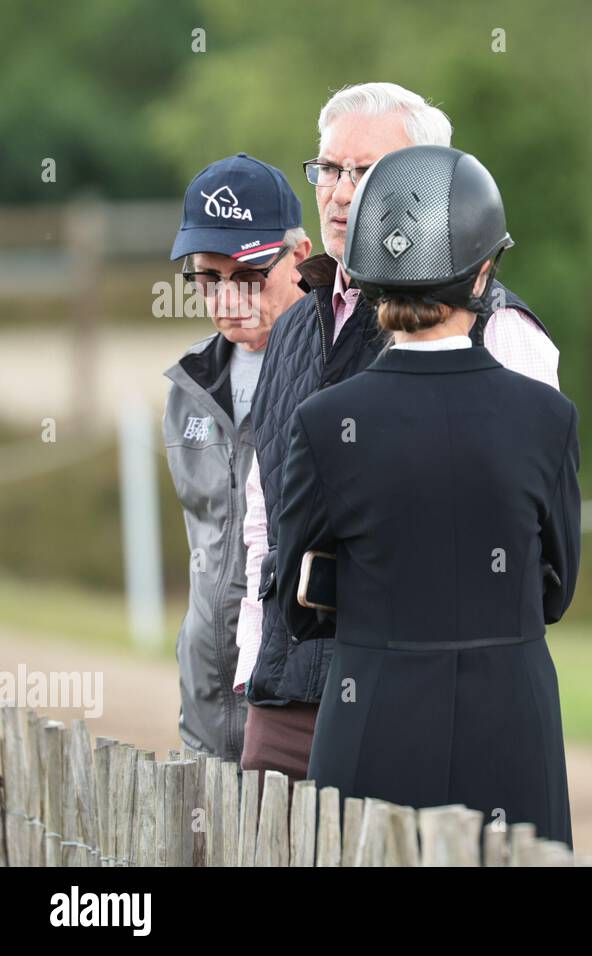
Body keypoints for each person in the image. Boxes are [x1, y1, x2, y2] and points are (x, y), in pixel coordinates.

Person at [234, 83, 560, 785]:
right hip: (284, 696)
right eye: (328, 169)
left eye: (366, 171)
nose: (340, 191)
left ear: (426, 182)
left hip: (421, 696)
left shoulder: (499, 329)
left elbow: (532, 541)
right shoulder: (294, 323)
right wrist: (253, 662)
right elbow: (264, 518)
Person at [162, 153, 311, 760]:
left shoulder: (344, 373)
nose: (226, 297)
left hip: (297, 701)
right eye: (207, 277)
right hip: (206, 693)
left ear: (299, 256)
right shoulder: (187, 385)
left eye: (248, 274)